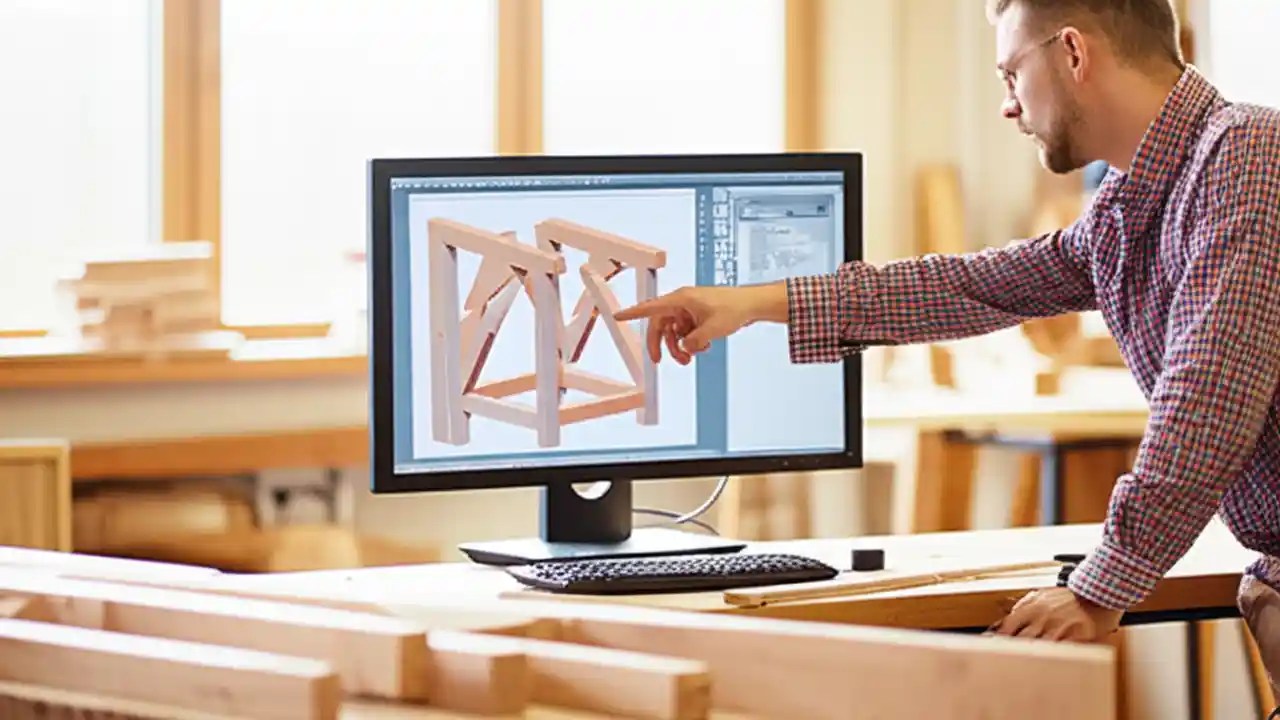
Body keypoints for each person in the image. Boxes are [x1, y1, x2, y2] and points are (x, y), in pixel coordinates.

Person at [615, 0, 1280, 694]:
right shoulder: (1129, 210)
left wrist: (1098, 588)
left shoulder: (1244, 156)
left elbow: (1210, 400)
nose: (1006, 106)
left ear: (1074, 53)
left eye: (1012, 73)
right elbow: (972, 287)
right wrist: (750, 304)